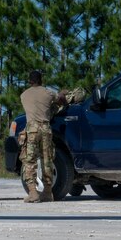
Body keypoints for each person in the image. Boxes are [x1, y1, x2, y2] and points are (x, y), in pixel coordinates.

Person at [19, 70, 70, 203]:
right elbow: (61, 100)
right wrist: (63, 100)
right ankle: (48, 192)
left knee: (30, 161)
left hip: (32, 130)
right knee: (47, 160)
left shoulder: (23, 95)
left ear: (30, 81)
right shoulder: (49, 93)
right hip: (46, 129)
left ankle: (33, 192)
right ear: (41, 81)